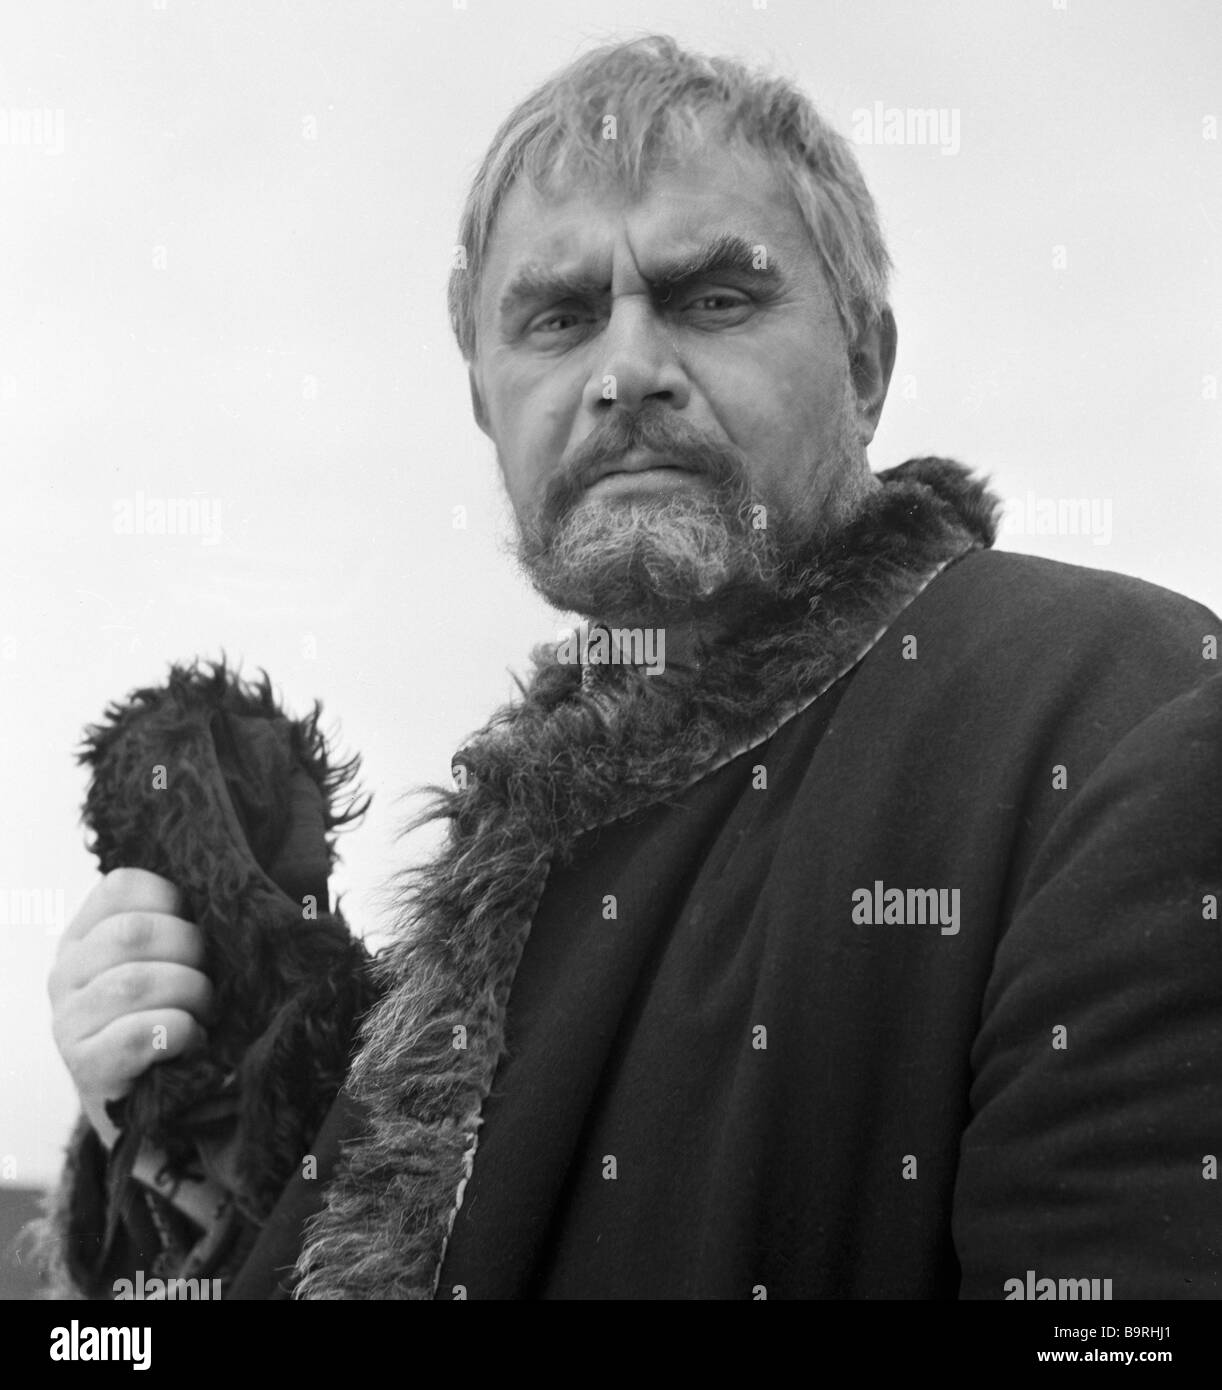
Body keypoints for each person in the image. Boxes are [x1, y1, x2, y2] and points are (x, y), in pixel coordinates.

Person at [39, 34, 1222, 1300]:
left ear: (865, 366)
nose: (624, 373)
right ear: (486, 403)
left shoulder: (1123, 716)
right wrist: (191, 1155)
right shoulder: (515, 864)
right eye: (557, 318)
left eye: (715, 298)